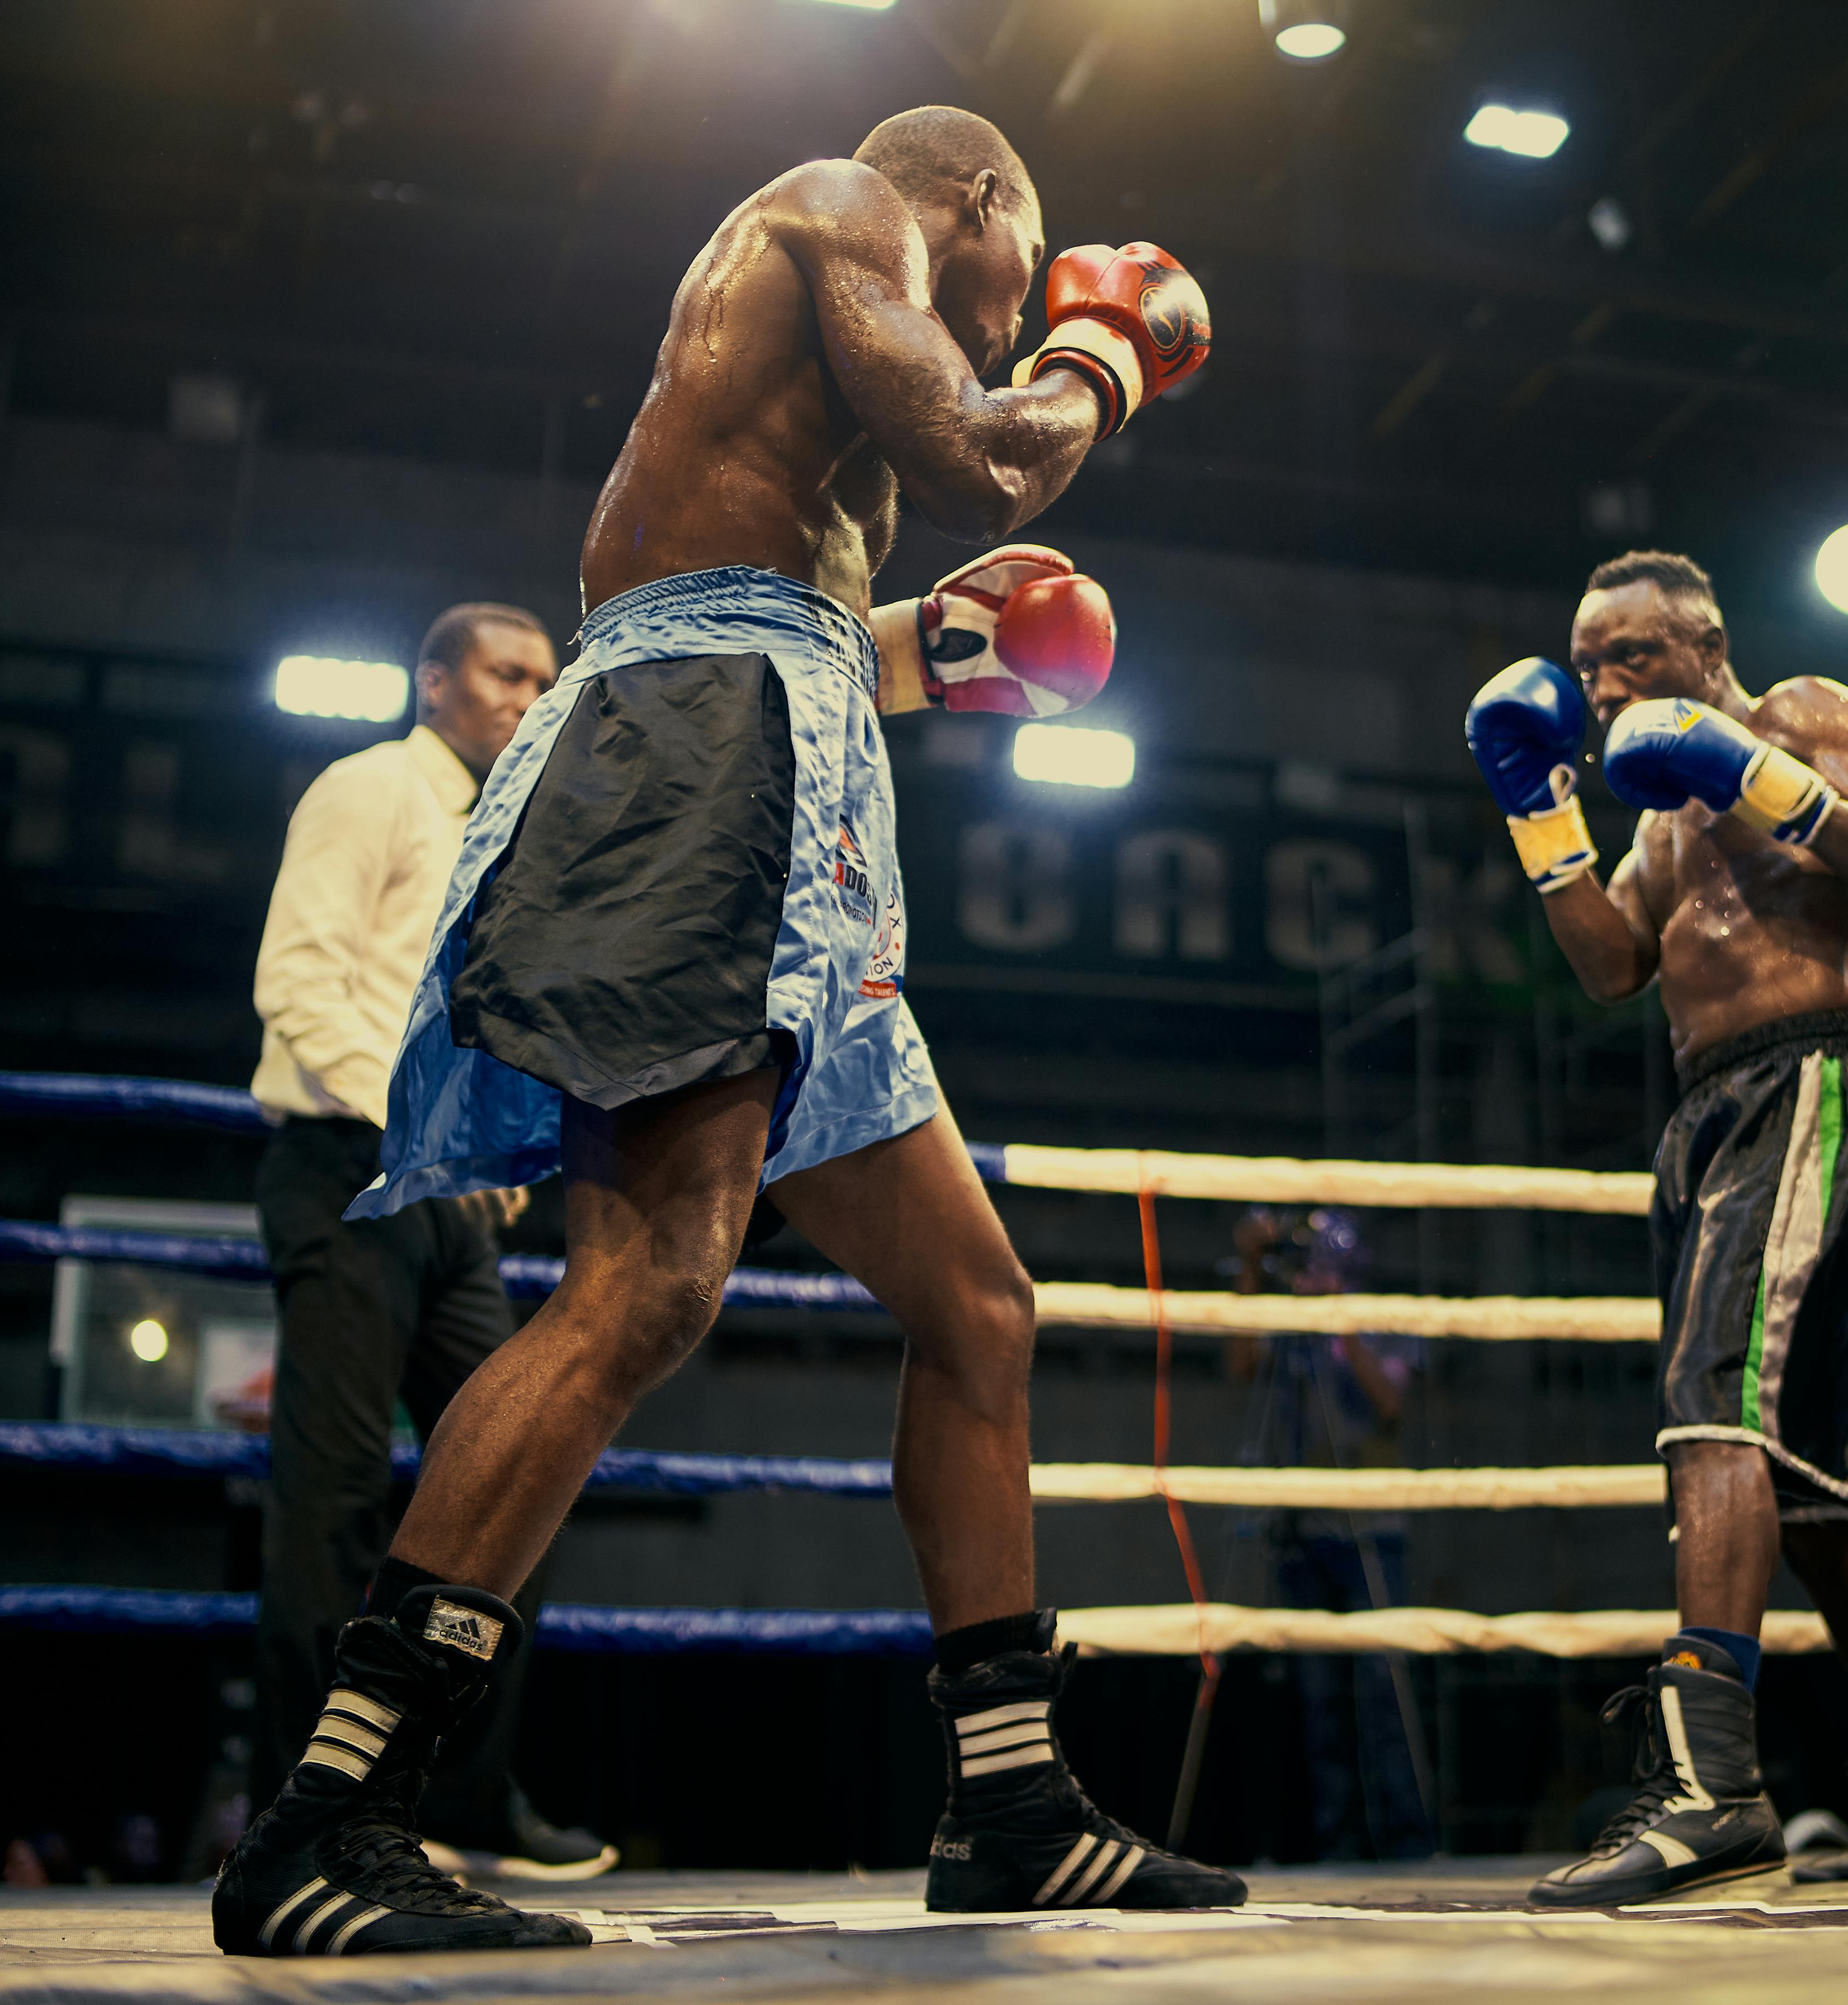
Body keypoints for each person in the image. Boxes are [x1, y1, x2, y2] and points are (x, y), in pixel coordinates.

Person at [214, 106, 1229, 1957]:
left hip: (791, 775)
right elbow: (996, 458)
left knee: (977, 1305)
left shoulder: (820, 389)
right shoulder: (846, 211)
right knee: (649, 1286)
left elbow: (809, 611)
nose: (1008, 331)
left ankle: (1006, 1796)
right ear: (991, 211)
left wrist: (951, 646)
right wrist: (1101, 350)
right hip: (696, 757)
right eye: (1015, 290)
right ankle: (328, 1815)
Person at [1464, 549, 1848, 1903]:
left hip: (1813, 1079)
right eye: (1588, 664)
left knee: (1715, 1408)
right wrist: (1538, 808)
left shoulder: (1810, 715)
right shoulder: (1650, 813)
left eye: (1631, 659)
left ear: (1707, 648)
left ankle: (1712, 1784)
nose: (1601, 687)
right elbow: (1611, 968)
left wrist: (1756, 775)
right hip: (1709, 1113)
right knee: (1823, 1501)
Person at [245, 600, 613, 1886]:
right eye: (507, 673)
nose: (529, 695)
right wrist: (415, 1135)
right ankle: (304, 1813)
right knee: (334, 1499)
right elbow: (297, 981)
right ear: (436, 680)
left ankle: (459, 1791)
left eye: (543, 679)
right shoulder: (369, 788)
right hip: (347, 1169)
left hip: (445, 1203)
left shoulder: (505, 833)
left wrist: (484, 1150)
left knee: (519, 1480)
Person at [1227, 1208, 1436, 1860]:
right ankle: (1338, 1846)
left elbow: (1391, 1404)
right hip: (1301, 1528)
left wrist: (1338, 1319)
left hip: (1371, 1531)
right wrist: (1254, 1269)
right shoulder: (1286, 1322)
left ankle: (1409, 1842)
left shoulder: (1382, 1319)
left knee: (1385, 1696)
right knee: (1319, 1703)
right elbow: (1241, 1367)